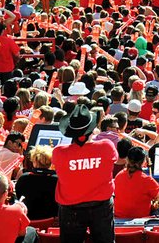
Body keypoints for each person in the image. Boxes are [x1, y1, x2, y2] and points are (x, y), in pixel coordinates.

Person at [53, 104, 114, 243]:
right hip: (101, 206)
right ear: (91, 129)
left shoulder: (58, 152)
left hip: (71, 209)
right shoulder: (106, 146)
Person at [113, 145, 159, 219]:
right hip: (141, 219)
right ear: (143, 162)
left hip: (119, 217)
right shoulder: (146, 180)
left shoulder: (118, 175)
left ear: (127, 159)